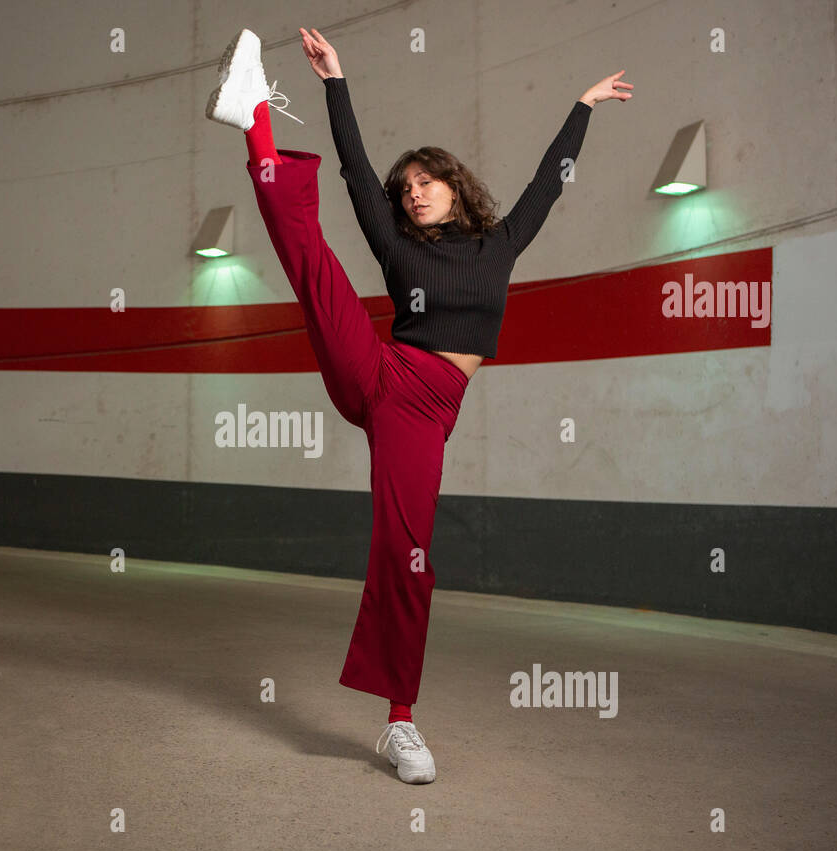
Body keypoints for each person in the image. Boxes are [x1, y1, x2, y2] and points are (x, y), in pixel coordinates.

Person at [205, 27, 632, 783]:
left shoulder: (499, 246)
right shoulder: (400, 250)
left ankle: (400, 722)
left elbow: (548, 182)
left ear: (454, 185)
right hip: (379, 370)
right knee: (317, 270)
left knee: (405, 553)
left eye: (425, 180)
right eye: (406, 188)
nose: (412, 191)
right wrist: (336, 83)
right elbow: (353, 171)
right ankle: (255, 123)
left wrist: (580, 106)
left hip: (424, 412)